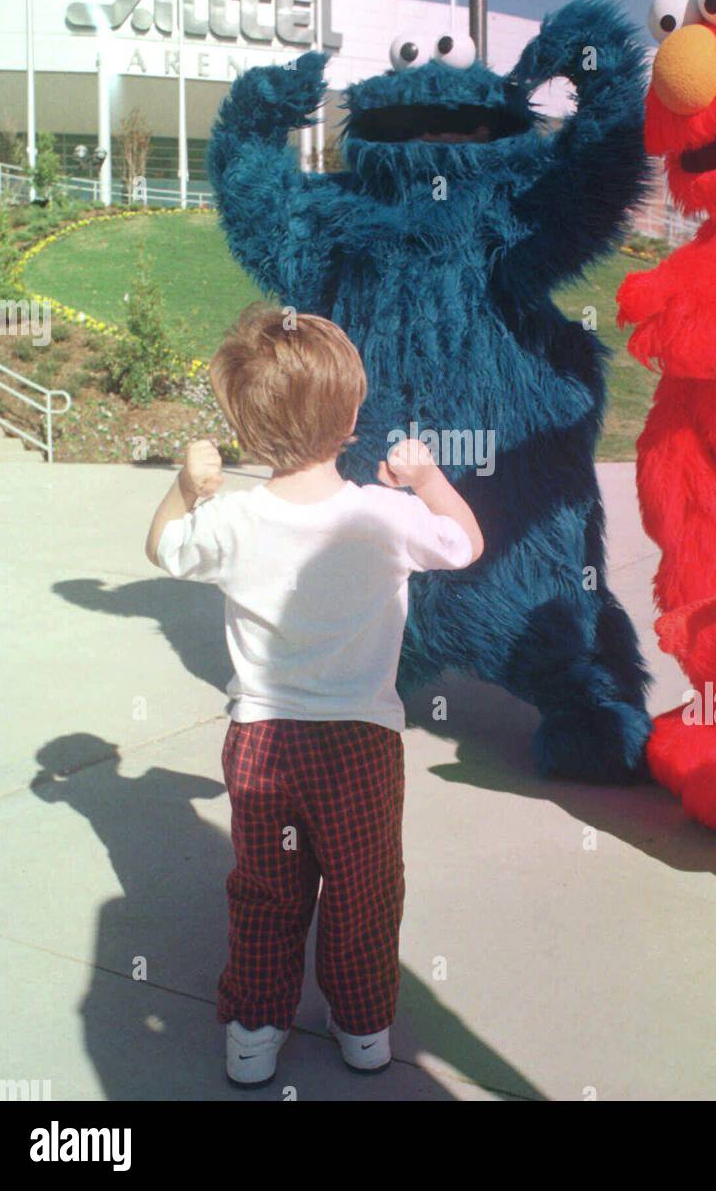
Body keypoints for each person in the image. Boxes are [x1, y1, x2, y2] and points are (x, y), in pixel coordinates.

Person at [145, 305, 483, 1085]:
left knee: (265, 889)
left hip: (261, 738)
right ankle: (364, 1025)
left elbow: (163, 546)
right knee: (365, 889)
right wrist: (428, 479)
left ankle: (255, 1031)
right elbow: (466, 542)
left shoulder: (229, 519)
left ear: (242, 421)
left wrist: (183, 488)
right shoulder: (383, 515)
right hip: (360, 741)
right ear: (354, 415)